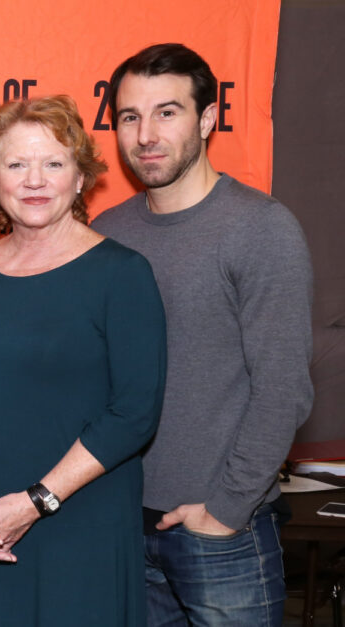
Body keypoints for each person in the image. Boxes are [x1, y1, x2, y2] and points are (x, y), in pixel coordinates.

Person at [93, 43, 314, 626]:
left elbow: (283, 389)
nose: (146, 135)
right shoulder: (105, 235)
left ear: (208, 120)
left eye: (167, 112)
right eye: (129, 117)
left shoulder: (260, 229)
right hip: (121, 525)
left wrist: (225, 510)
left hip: (220, 534)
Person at [0, 95, 167, 626]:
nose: (35, 179)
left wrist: (37, 502)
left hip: (80, 531)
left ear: (80, 178)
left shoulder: (122, 275)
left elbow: (134, 413)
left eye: (54, 163)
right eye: (17, 164)